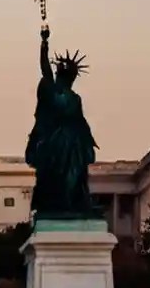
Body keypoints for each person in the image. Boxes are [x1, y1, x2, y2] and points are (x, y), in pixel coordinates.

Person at [25, 27, 100, 220]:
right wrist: (44, 45)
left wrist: (44, 45)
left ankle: (71, 204)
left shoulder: (65, 94)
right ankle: (64, 204)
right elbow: (45, 68)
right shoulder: (60, 93)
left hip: (64, 140)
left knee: (68, 175)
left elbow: (81, 121)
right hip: (66, 140)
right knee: (69, 175)